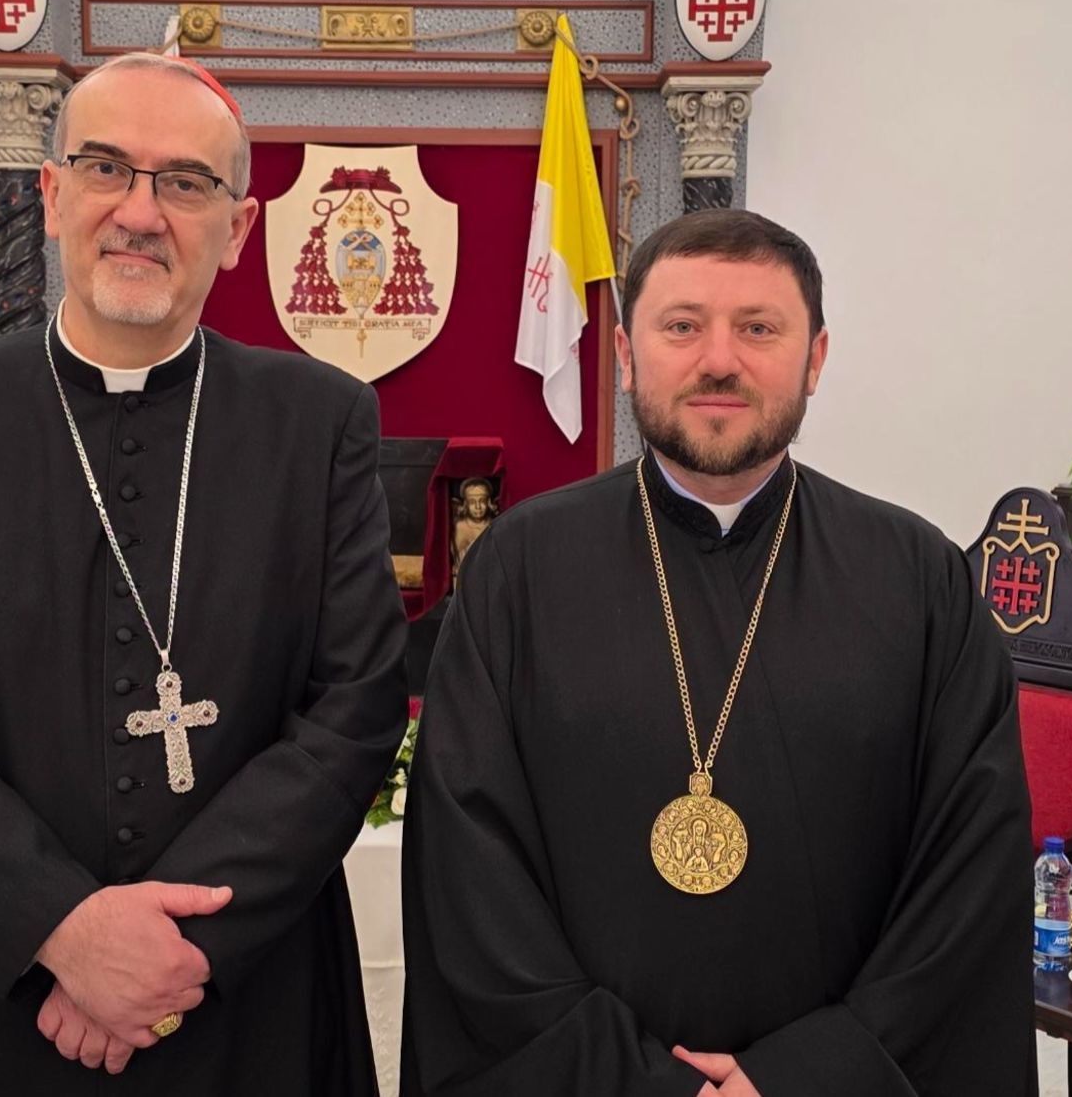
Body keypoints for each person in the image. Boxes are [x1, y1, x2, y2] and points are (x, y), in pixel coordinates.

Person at [0, 51, 408, 1096]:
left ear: (241, 227)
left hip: (244, 989)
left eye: (185, 182)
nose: (140, 211)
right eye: (105, 169)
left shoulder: (318, 423)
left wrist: (172, 952)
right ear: (50, 196)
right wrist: (60, 924)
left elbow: (354, 709)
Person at [400, 208, 1034, 1096]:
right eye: (683, 326)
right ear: (624, 354)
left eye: (759, 329)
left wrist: (813, 1073)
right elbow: (468, 866)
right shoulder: (519, 569)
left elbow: (970, 868)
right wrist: (628, 1078)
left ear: (815, 358)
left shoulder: (917, 575)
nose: (720, 360)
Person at [449, 477, 497, 580]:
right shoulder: (461, 526)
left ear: (489, 502)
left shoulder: (493, 524)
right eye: (472, 502)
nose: (478, 506)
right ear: (465, 504)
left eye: (482, 501)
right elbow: (459, 560)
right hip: (465, 576)